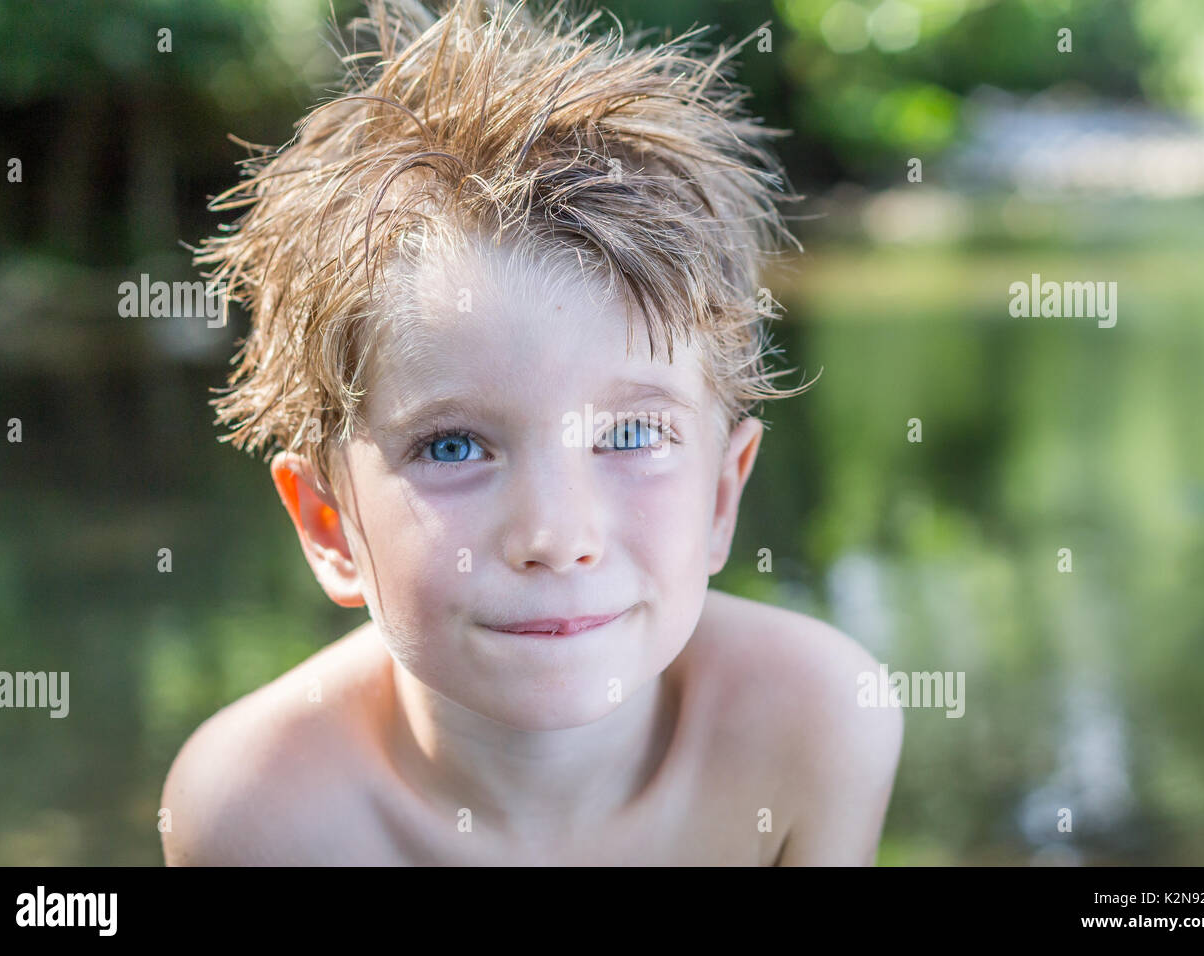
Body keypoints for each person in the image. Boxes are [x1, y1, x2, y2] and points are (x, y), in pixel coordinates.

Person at [161, 0, 902, 865]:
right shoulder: (260, 816)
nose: (557, 538)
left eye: (630, 435)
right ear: (330, 524)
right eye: (453, 446)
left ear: (721, 496)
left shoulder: (813, 723)